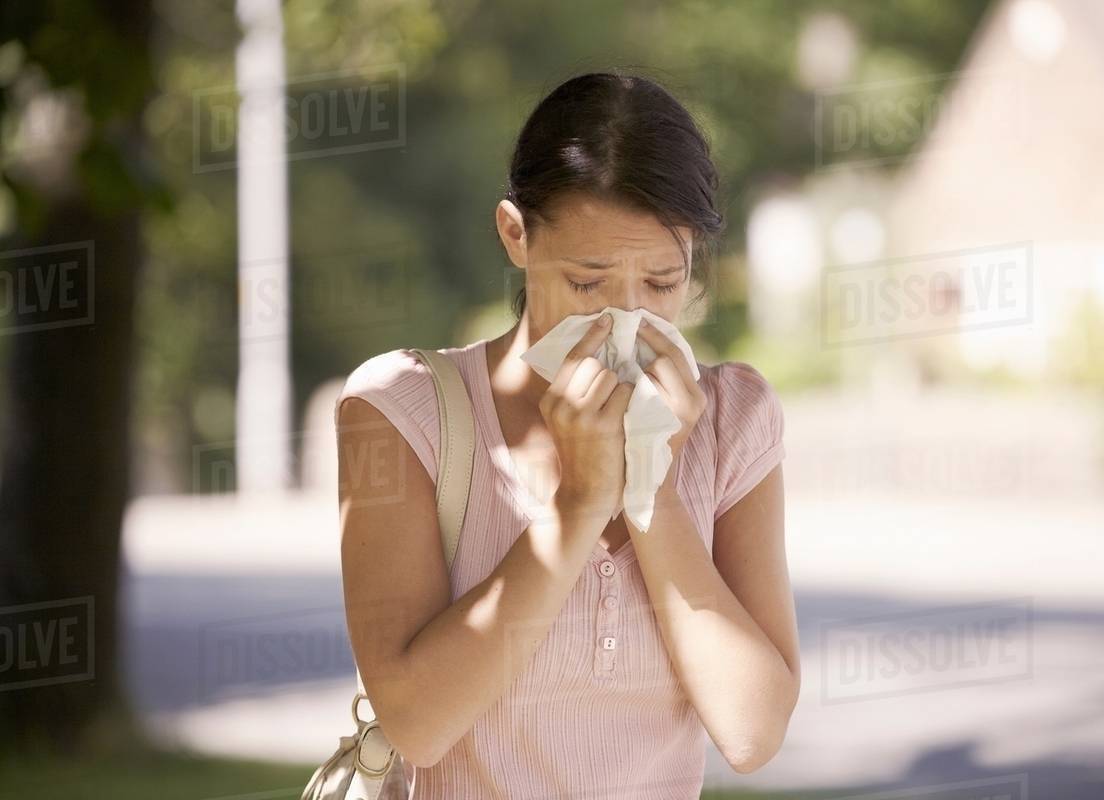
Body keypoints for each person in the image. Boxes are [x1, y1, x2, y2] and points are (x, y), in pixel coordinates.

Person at [335, 70, 800, 799]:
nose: (626, 321)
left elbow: (752, 731)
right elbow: (419, 724)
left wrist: (653, 489)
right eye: (587, 284)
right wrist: (580, 503)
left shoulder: (733, 420)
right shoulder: (403, 411)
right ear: (515, 234)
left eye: (660, 284)